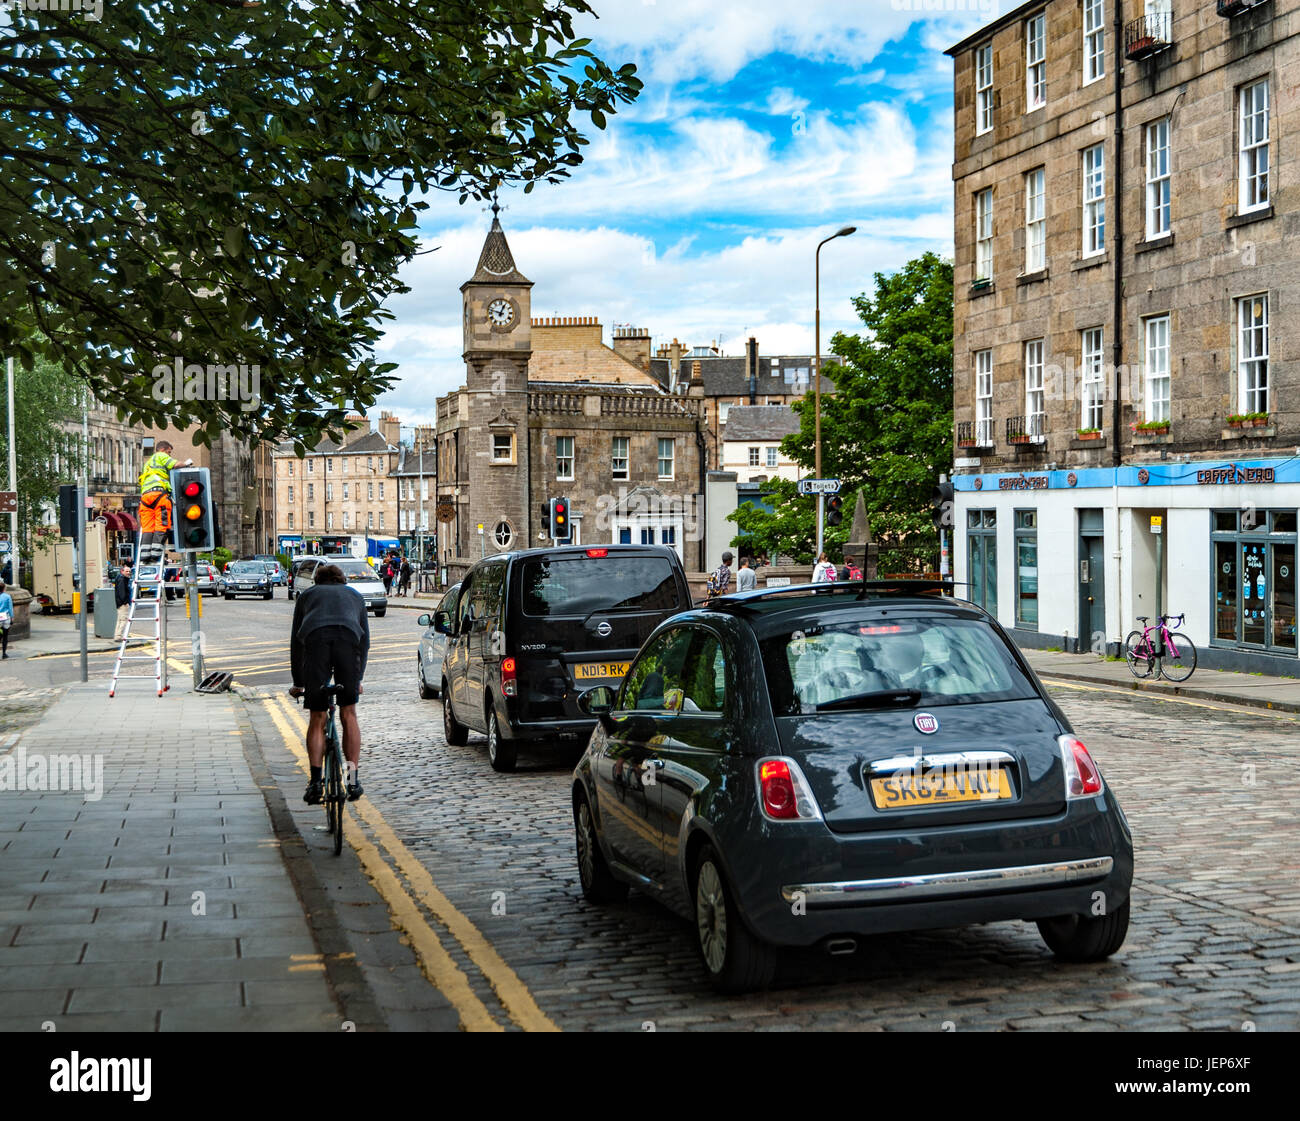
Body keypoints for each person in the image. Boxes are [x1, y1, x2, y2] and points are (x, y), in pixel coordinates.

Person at [289, 563, 371, 803]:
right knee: (349, 714)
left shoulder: (307, 596)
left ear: (317, 580)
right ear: (342, 580)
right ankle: (353, 781)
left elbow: (297, 643)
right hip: (348, 642)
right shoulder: (354, 596)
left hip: (317, 642)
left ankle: (315, 783)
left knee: (317, 716)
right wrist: (358, 680)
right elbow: (364, 641)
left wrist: (299, 683)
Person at [137, 440, 193, 549]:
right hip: (159, 495)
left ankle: (145, 555)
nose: (169, 455)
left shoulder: (148, 464)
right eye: (169, 452)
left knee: (148, 527)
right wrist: (186, 464)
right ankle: (155, 554)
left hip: (145, 497)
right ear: (162, 449)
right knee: (161, 524)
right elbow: (175, 465)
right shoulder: (160, 456)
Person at [113, 562, 133, 641]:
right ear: (122, 571)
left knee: (119, 620)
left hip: (120, 603)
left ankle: (117, 635)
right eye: (126, 571)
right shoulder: (122, 579)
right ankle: (119, 636)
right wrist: (125, 602)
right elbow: (122, 593)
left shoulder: (121, 578)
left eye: (129, 571)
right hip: (122, 604)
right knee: (123, 620)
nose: (128, 573)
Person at [0, 580, 13, 659]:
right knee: (5, 636)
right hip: (5, 617)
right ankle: (4, 653)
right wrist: (12, 618)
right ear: (4, 588)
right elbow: (10, 608)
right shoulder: (7, 596)